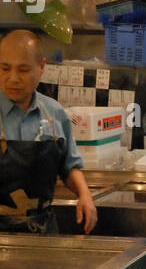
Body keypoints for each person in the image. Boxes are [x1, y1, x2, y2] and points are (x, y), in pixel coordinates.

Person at [0, 30, 97, 235]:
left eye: (24, 70)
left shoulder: (55, 113)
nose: (13, 78)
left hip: (43, 232)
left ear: (41, 67)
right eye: (4, 68)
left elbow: (69, 167)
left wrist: (85, 195)